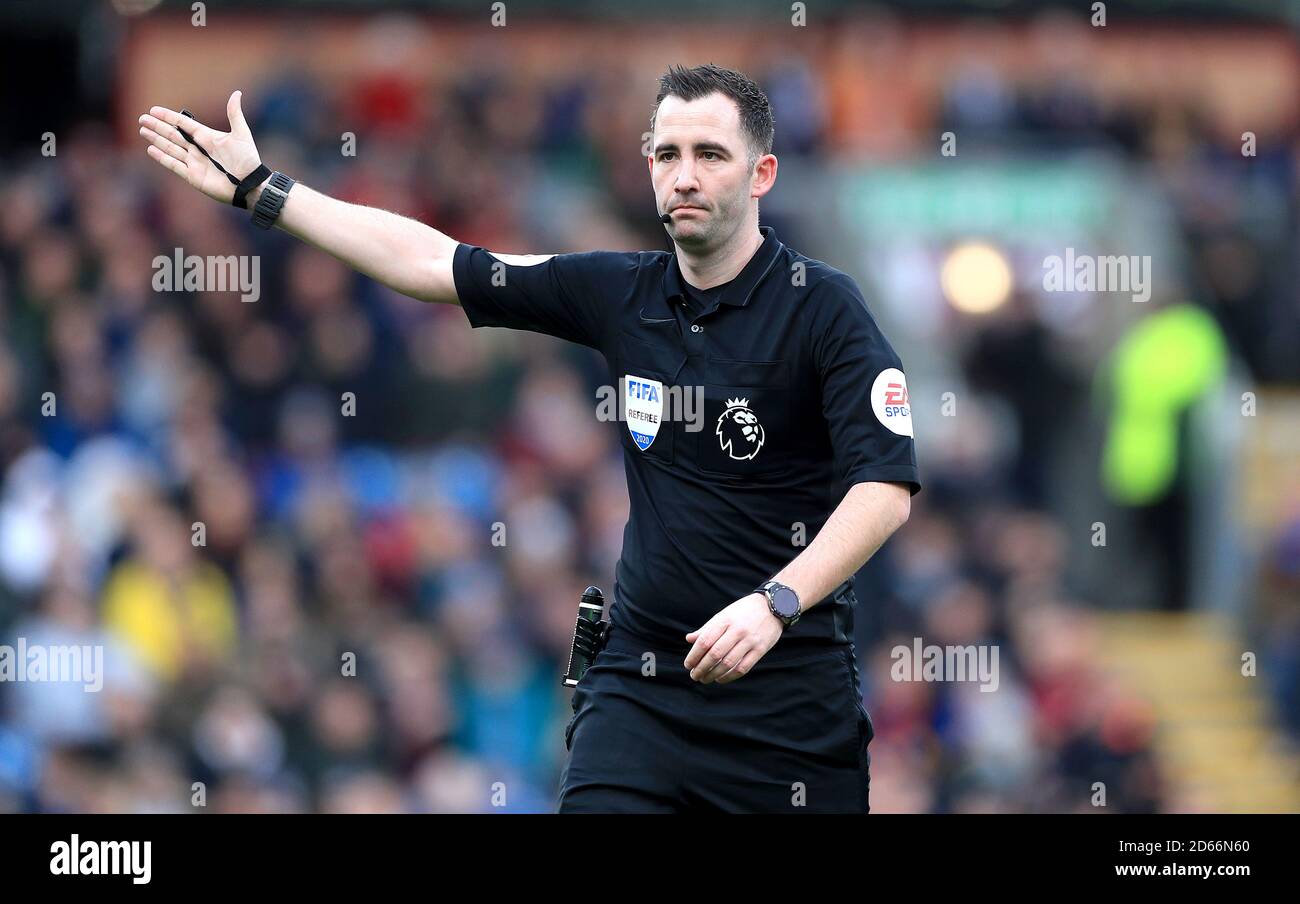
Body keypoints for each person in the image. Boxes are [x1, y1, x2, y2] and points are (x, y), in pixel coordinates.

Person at [137, 62, 920, 813]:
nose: (685, 174)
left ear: (762, 174)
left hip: (789, 705)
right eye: (669, 153)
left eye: (711, 154)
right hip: (640, 692)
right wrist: (264, 190)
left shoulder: (824, 310)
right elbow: (434, 263)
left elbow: (883, 490)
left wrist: (774, 602)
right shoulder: (620, 292)